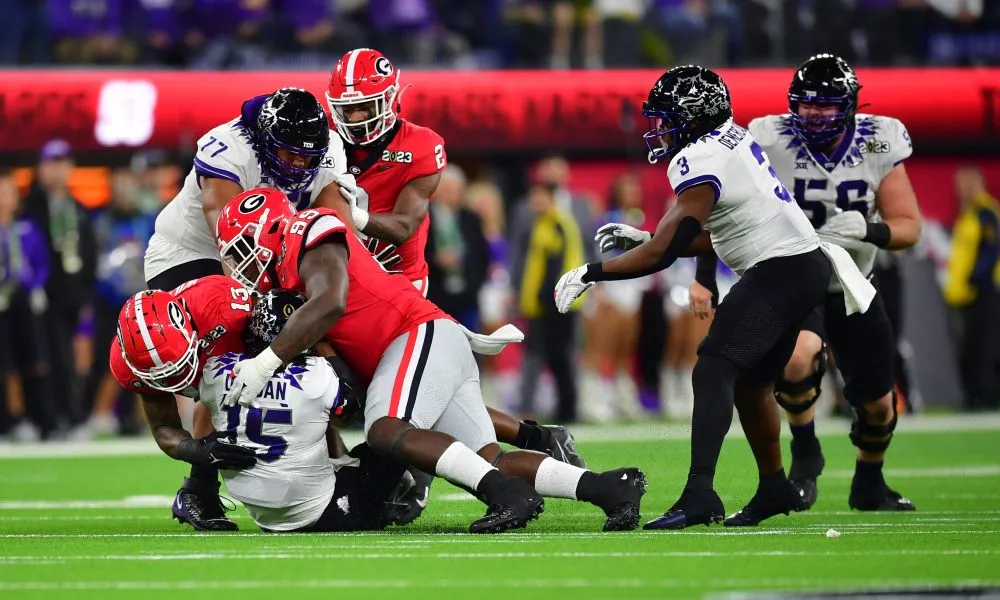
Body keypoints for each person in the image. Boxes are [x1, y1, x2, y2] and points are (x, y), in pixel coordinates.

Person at [554, 65, 875, 529]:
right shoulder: (730, 139)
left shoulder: (699, 158)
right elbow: (720, 236)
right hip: (799, 265)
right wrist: (648, 234)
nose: (658, 129)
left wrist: (591, 271)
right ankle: (774, 486)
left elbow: (664, 255)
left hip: (783, 268)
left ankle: (700, 493)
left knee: (713, 366)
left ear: (693, 114)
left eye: (666, 118)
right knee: (748, 382)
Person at [216, 188, 647, 534]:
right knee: (486, 458)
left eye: (240, 248)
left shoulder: (313, 229)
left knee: (386, 432)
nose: (238, 262)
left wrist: (264, 363)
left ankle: (506, 495)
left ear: (270, 228)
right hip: (421, 343)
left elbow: (330, 302)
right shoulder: (286, 277)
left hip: (412, 333)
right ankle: (610, 488)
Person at [324, 48, 588, 495]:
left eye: (364, 106)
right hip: (348, 279)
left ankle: (412, 474)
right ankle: (536, 437)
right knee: (395, 390)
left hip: (399, 282)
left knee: (393, 396)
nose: (355, 117)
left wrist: (352, 219)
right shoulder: (325, 148)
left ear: (390, 99)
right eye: (346, 108)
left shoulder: (420, 145)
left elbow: (405, 225)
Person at [691, 54, 920, 513]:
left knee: (878, 405)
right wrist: (704, 277)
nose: (813, 115)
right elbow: (722, 212)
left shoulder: (881, 140)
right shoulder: (765, 137)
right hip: (793, 275)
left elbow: (908, 226)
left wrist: (869, 230)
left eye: (827, 106)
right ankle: (804, 449)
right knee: (796, 360)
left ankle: (869, 484)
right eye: (805, 105)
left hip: (854, 280)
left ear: (851, 105)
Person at [140, 87, 354, 531]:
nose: (297, 166)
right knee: (230, 355)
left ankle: (334, 463)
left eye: (304, 158)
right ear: (262, 138)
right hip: (192, 253)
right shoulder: (228, 146)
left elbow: (335, 226)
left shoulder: (329, 147)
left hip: (271, 251)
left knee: (302, 338)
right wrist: (264, 309)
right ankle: (198, 489)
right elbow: (230, 236)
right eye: (288, 154)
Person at [199, 289, 413, 533]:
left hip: (266, 518)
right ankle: (382, 508)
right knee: (394, 434)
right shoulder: (316, 375)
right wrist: (328, 351)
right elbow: (347, 413)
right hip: (327, 511)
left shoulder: (215, 372)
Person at [109, 277, 258, 530]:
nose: (171, 379)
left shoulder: (223, 307)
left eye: (174, 367)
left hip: (232, 330)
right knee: (213, 389)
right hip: (210, 356)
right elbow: (162, 427)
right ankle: (198, 492)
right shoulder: (125, 366)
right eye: (160, 376)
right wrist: (200, 450)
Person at [944, 166, 1000, 411]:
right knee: (970, 346)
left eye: (967, 185)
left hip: (983, 292)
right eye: (960, 186)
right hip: (965, 294)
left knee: (984, 346)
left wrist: (975, 280)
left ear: (979, 184)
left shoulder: (986, 212)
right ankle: (973, 396)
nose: (962, 191)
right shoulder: (967, 214)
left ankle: (985, 397)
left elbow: (989, 251)